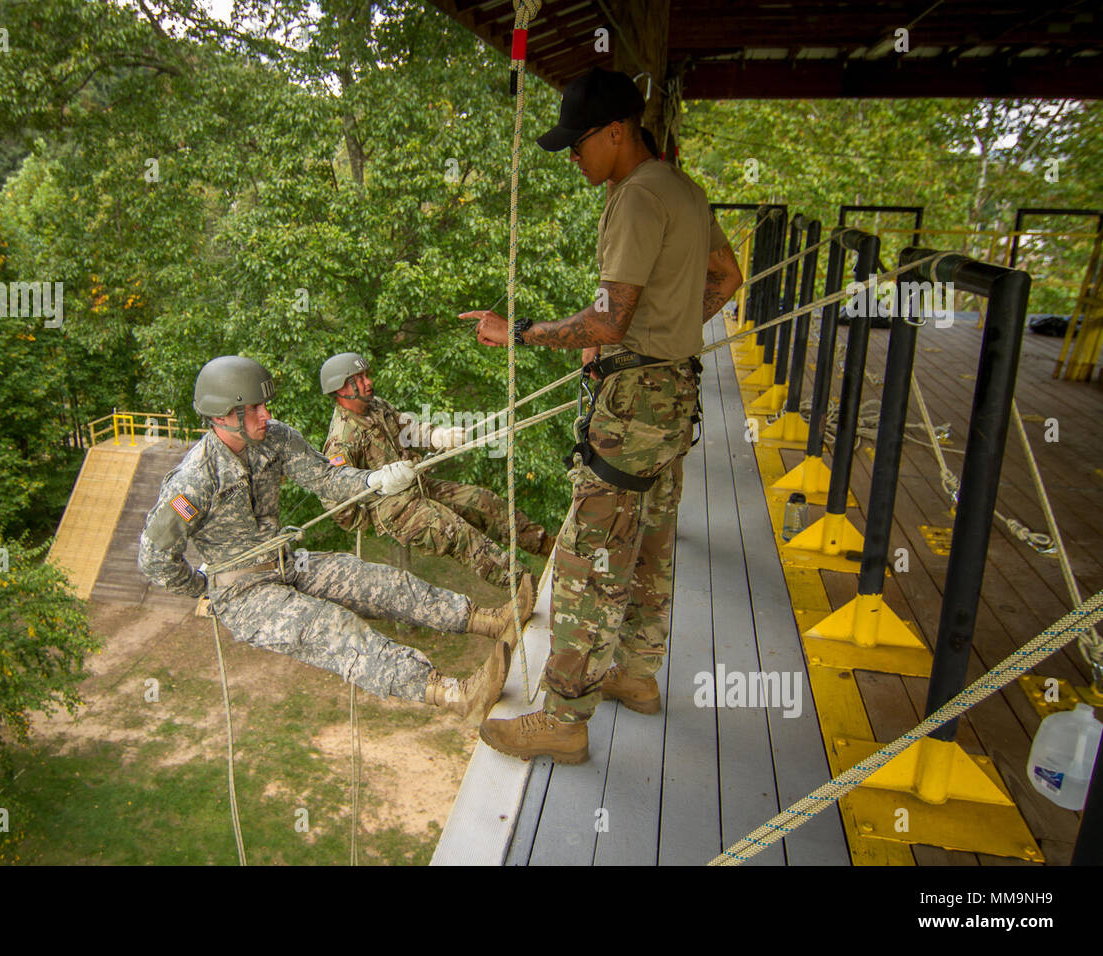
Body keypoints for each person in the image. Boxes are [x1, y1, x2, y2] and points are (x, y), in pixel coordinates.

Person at [461, 68, 743, 763]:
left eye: (580, 143)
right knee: (650, 539)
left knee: (590, 556)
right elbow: (726, 279)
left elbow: (609, 321)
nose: (574, 157)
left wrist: (518, 330)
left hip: (634, 409)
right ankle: (637, 675)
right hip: (676, 397)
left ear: (616, 132)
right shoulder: (684, 190)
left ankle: (563, 717)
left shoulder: (636, 198)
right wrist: (670, 337)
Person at [137, 355, 533, 723]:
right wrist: (200, 586)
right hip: (244, 595)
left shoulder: (275, 439)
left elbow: (324, 477)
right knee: (335, 630)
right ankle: (457, 694)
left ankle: (491, 622)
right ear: (225, 415)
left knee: (383, 583)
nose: (266, 414)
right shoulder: (195, 480)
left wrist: (371, 480)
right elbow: (154, 557)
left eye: (263, 405)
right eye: (254, 408)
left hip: (289, 564)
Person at [319, 352, 551, 591]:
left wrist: (437, 436)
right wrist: (370, 516)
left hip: (419, 487)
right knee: (460, 535)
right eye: (359, 379)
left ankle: (544, 544)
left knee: (483, 501)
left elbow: (407, 428)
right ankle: (526, 587)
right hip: (395, 510)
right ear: (341, 388)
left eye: (366, 375)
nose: (368, 382)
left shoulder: (377, 407)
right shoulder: (341, 439)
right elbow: (333, 498)